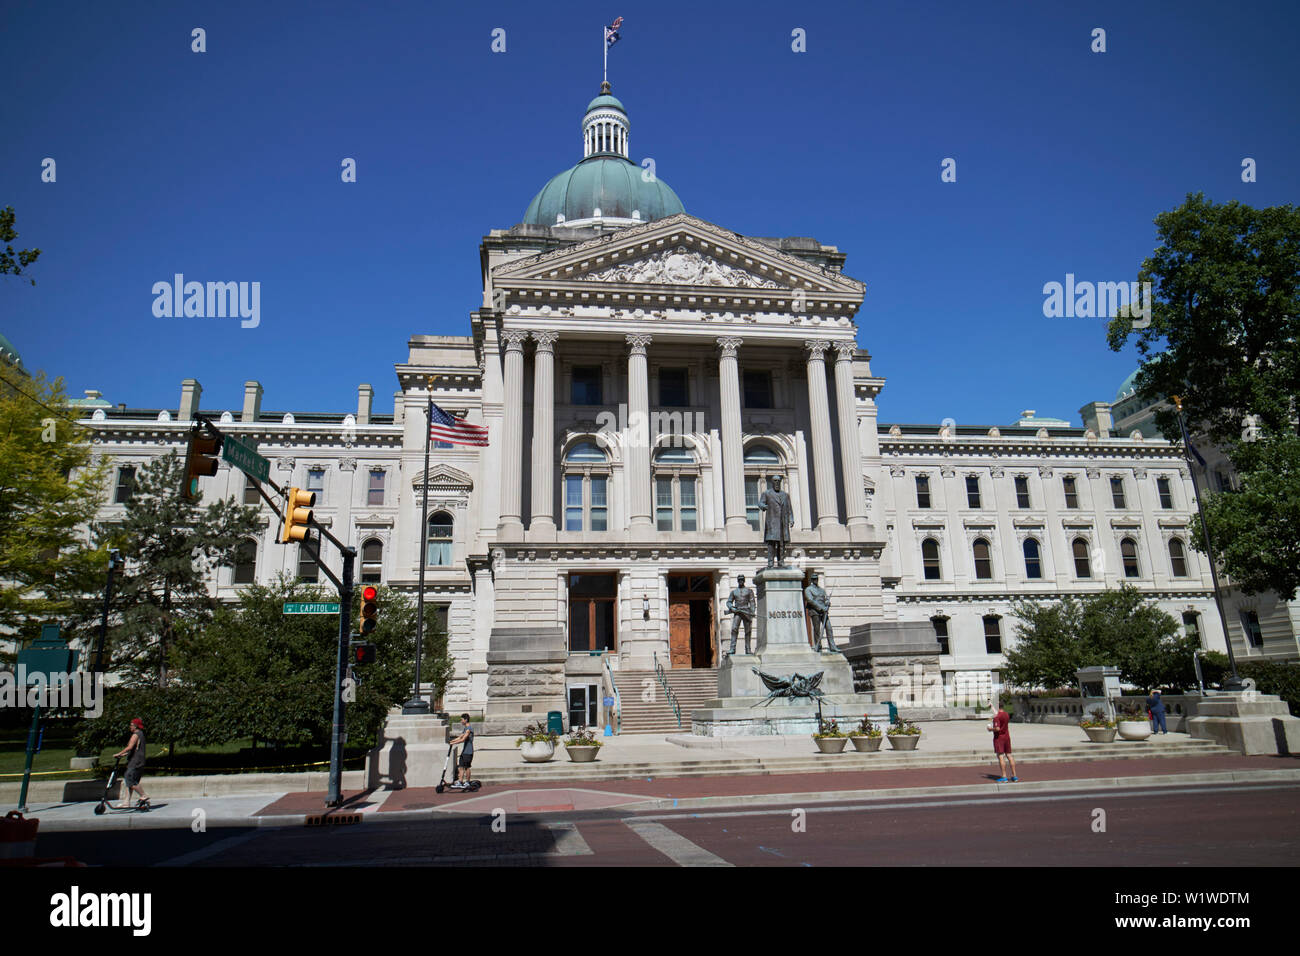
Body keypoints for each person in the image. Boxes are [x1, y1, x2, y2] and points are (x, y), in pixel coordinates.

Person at [757, 475, 794, 568]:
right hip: (772, 523)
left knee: (781, 544)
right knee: (772, 544)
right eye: (775, 481)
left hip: (783, 523)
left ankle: (781, 561)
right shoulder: (767, 493)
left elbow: (789, 508)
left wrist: (791, 519)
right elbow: (760, 503)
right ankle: (770, 562)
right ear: (772, 482)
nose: (777, 482)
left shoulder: (785, 495)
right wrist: (764, 506)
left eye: (778, 480)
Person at [113, 717, 150, 809]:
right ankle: (126, 802)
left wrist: (119, 753)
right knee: (131, 782)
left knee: (129, 778)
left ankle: (143, 795)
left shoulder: (136, 734)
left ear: (136, 726)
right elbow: (134, 749)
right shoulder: (141, 734)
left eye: (131, 725)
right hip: (139, 761)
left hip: (135, 761)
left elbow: (130, 747)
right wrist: (124, 754)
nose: (130, 726)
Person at [804, 573, 839, 652]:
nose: (815, 580)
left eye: (816, 578)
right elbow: (810, 600)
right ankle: (818, 646)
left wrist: (827, 602)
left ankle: (832, 646)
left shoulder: (821, 590)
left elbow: (825, 598)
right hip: (815, 611)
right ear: (812, 580)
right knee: (817, 630)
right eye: (814, 579)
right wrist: (821, 607)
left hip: (824, 612)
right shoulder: (808, 589)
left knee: (829, 628)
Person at [725, 574, 756, 656]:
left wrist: (752, 612)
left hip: (746, 612)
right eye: (739, 580)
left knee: (748, 631)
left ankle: (748, 649)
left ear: (744, 580)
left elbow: (752, 602)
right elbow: (728, 602)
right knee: (734, 629)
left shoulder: (749, 591)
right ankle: (732, 649)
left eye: (742, 579)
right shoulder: (734, 592)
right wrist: (732, 608)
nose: (741, 581)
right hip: (738, 612)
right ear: (737, 581)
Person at [989, 704, 1018, 782]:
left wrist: (990, 729)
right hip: (1007, 737)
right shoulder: (1006, 714)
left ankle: (1004, 776)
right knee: (1009, 755)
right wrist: (992, 706)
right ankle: (1014, 775)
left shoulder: (997, 717)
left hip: (999, 738)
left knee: (1001, 756)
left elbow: (997, 728)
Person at [449, 713, 474, 788]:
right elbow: (460, 737)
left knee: (467, 767)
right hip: (464, 751)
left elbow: (463, 739)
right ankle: (460, 781)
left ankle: (468, 782)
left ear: (466, 720)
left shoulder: (469, 729)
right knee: (460, 766)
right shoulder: (465, 728)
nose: (461, 721)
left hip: (468, 751)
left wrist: (454, 743)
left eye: (462, 720)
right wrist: (451, 741)